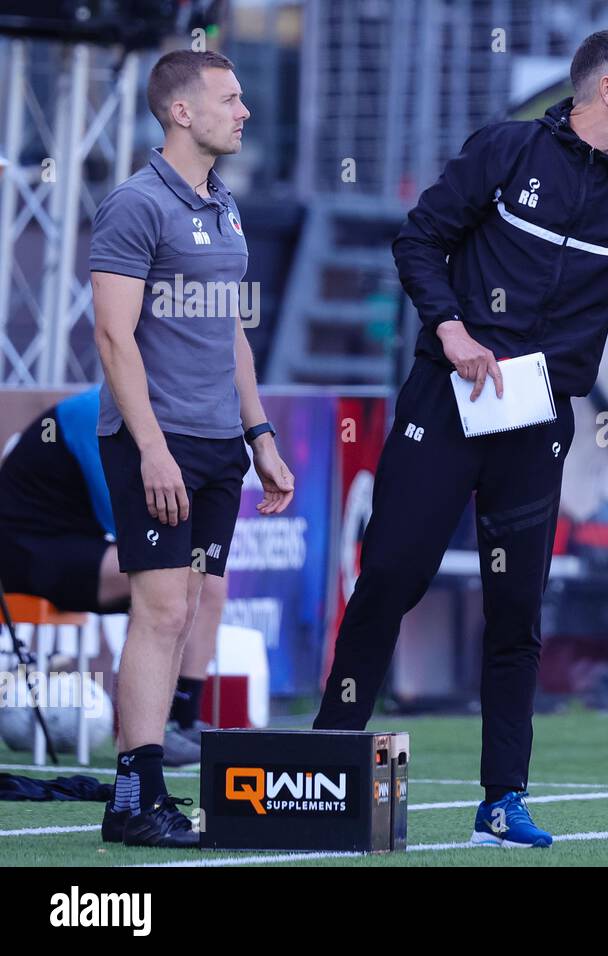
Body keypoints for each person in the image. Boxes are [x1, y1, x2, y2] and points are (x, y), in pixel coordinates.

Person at [313, 29, 608, 850]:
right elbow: (419, 239)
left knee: (516, 608)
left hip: (539, 420)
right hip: (448, 396)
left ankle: (501, 803)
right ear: (607, 88)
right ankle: (327, 762)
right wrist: (450, 329)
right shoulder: (508, 150)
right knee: (393, 574)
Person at [91, 50, 294, 848]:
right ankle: (136, 797)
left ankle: (139, 798)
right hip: (159, 440)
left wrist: (260, 434)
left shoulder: (224, 204)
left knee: (191, 609)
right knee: (163, 609)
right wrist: (151, 448)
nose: (244, 112)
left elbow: (231, 328)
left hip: (218, 445)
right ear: (181, 111)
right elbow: (113, 336)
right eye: (230, 99)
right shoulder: (135, 204)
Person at [0, 388, 226, 765]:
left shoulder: (162, 415)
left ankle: (184, 721)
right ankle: (140, 733)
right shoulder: (97, 413)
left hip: (80, 544)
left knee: (207, 574)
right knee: (163, 571)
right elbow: (131, 521)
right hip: (30, 551)